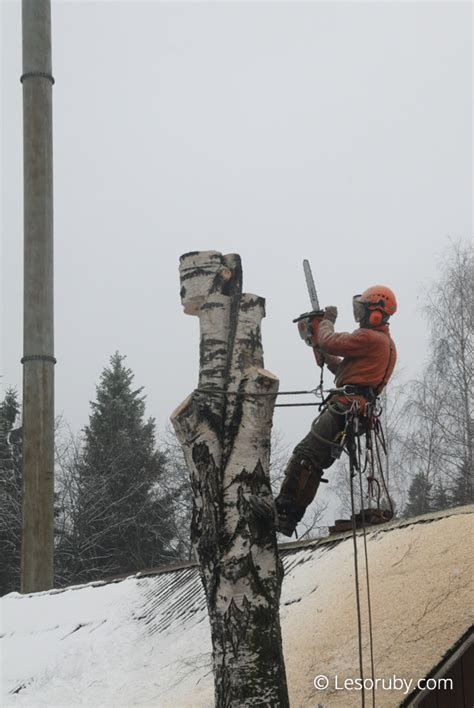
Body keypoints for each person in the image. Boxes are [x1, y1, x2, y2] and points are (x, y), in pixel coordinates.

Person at [271, 285, 397, 536]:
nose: (359, 315)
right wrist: (324, 355)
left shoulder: (369, 338)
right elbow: (344, 372)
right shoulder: (382, 342)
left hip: (346, 407)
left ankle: (283, 511)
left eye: (362, 310)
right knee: (313, 462)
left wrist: (326, 323)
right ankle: (288, 515)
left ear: (375, 313)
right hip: (352, 408)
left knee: (306, 455)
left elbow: (330, 340)